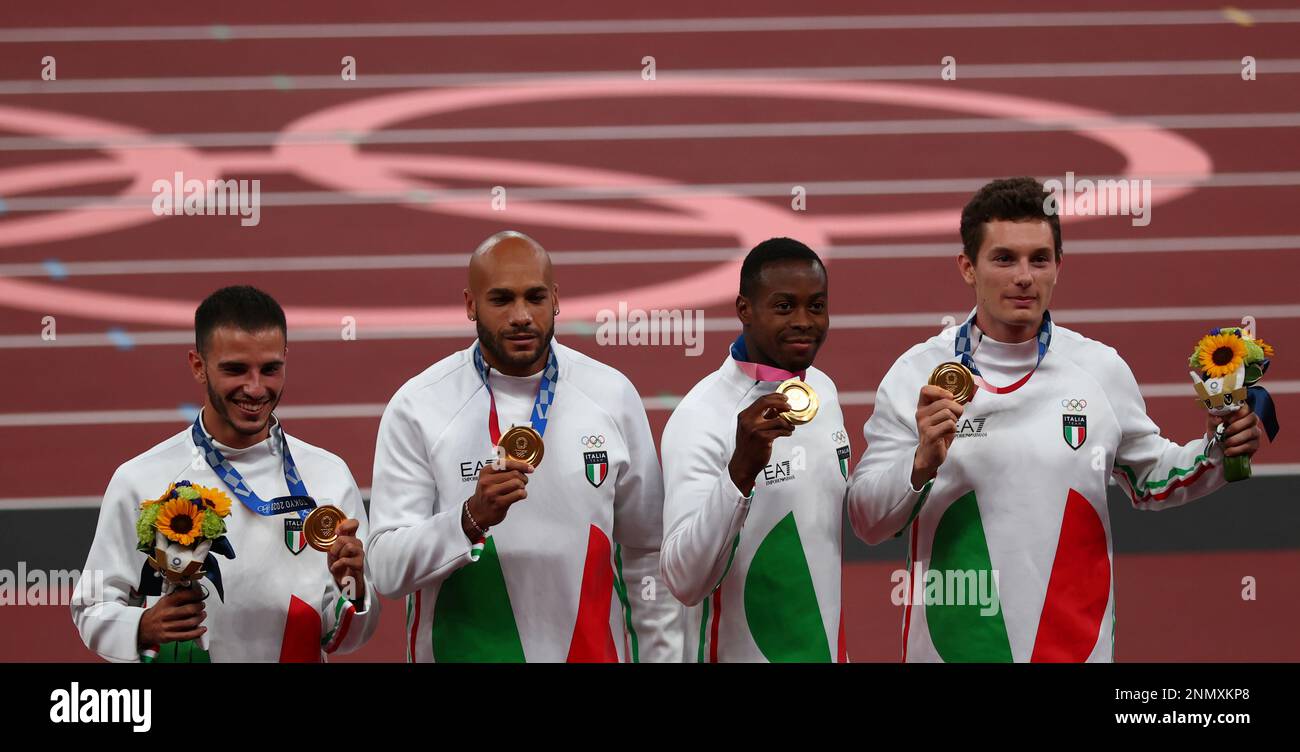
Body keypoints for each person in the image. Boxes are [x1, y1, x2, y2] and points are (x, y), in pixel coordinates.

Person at [848, 177, 1263, 662]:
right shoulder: (916, 374)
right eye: (1004, 258)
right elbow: (866, 521)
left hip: (1072, 652)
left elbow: (1151, 479)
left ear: (1058, 266)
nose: (1024, 276)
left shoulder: (1099, 369)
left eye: (1039, 259)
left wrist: (1219, 449)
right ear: (967, 267)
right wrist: (919, 465)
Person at [367, 230, 682, 662]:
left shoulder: (611, 395)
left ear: (555, 299)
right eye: (501, 300)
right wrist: (468, 520)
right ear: (470, 305)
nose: (521, 316)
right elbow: (385, 569)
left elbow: (648, 551)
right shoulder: (419, 406)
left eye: (534, 297)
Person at [72, 285, 379, 662]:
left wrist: (353, 585)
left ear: (286, 360)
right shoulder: (140, 479)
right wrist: (143, 626)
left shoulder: (328, 475)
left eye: (270, 369)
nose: (255, 388)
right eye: (235, 369)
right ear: (198, 366)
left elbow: (344, 637)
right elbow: (92, 606)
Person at [661, 237, 851, 662]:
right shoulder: (701, 416)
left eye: (816, 306)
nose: (804, 321)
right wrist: (738, 475)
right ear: (744, 309)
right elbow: (683, 580)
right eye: (784, 307)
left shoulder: (822, 391)